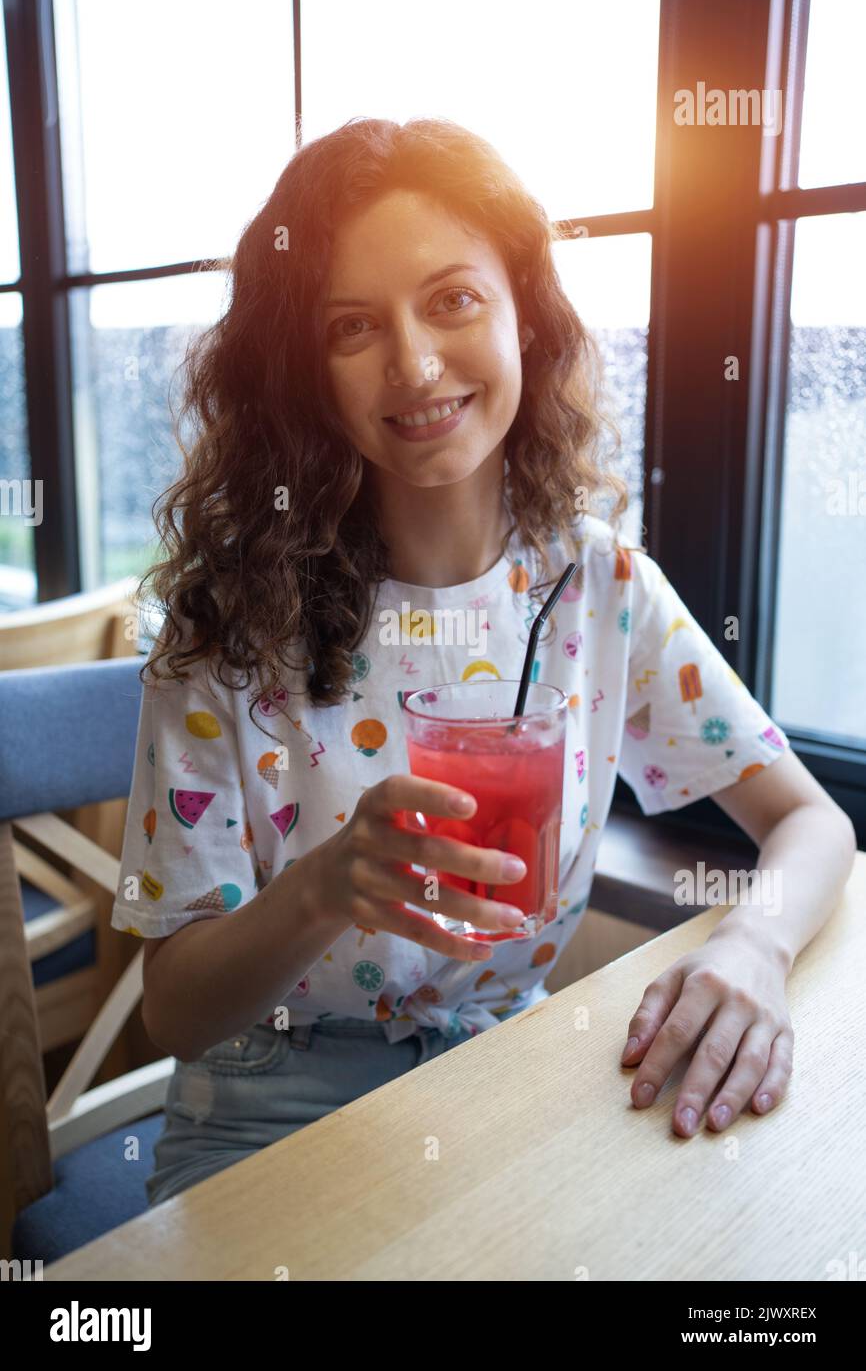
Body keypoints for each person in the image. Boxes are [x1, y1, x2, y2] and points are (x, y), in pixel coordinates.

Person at [112, 117, 855, 1206]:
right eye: (352, 326)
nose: (414, 365)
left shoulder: (600, 586)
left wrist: (754, 943)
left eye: (453, 300)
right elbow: (173, 1011)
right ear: (304, 370)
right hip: (267, 1112)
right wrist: (322, 888)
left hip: (508, 1079)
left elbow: (813, 823)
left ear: (526, 316)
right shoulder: (229, 627)